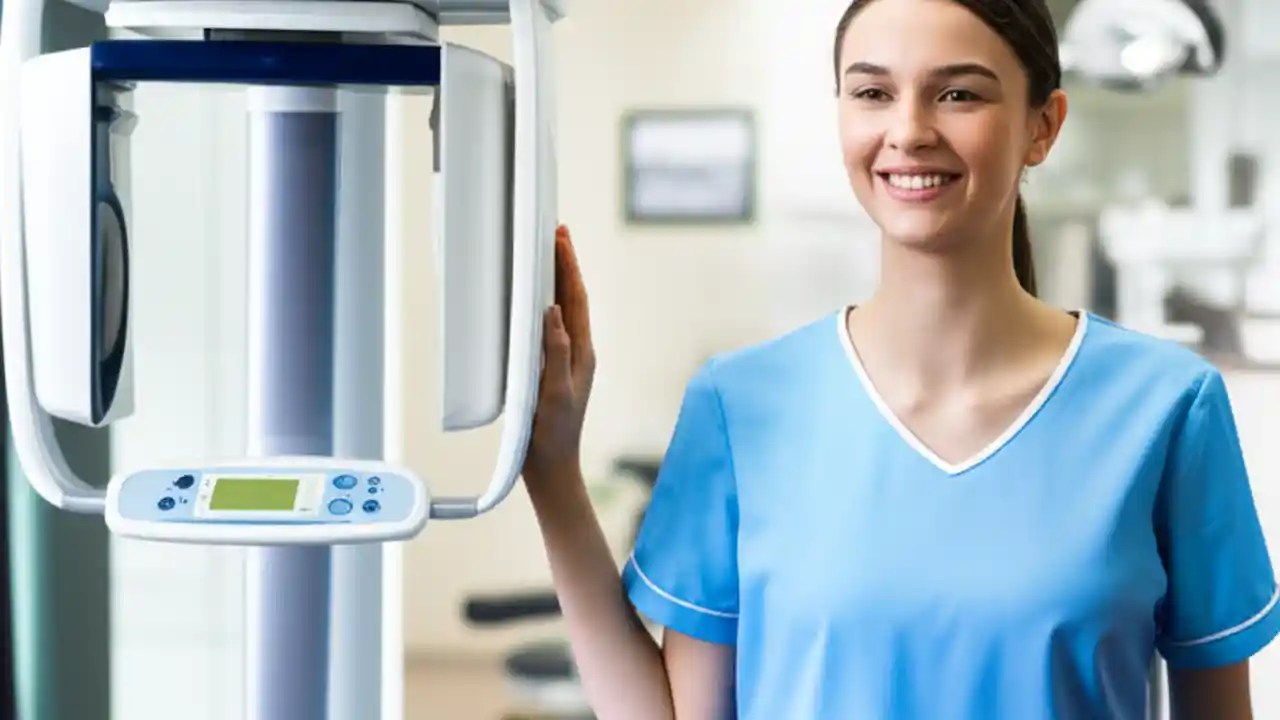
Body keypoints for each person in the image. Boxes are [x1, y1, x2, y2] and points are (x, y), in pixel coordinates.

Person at [520, 0, 1280, 717]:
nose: (909, 130)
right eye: (873, 93)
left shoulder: (1167, 408)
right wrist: (553, 476)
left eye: (958, 95)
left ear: (1042, 127)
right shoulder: (740, 404)